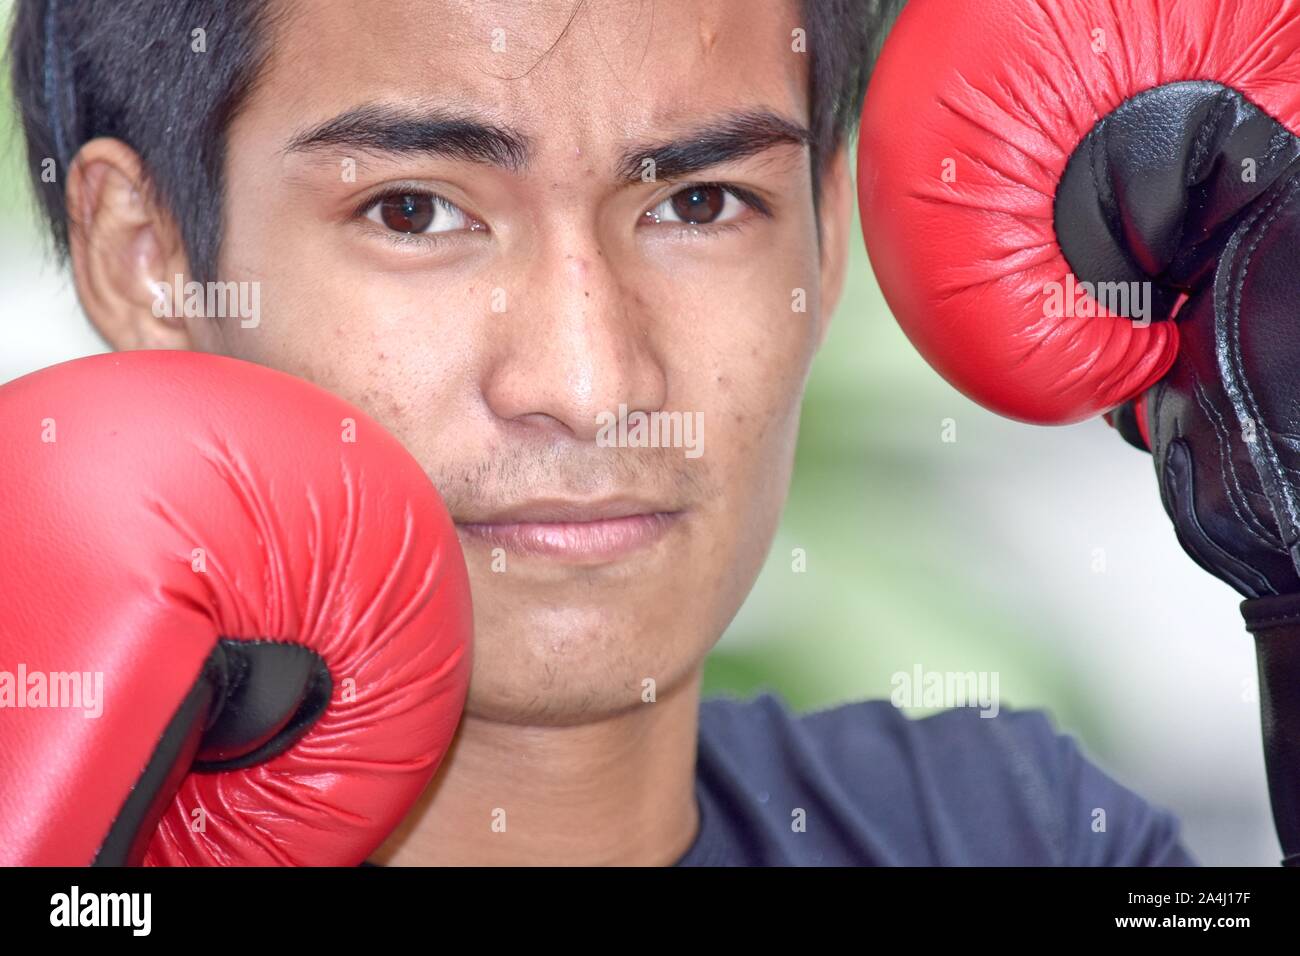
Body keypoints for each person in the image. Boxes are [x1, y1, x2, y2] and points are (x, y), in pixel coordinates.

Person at [6, 0, 1195, 865]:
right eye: (415, 212)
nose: (588, 381)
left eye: (700, 202)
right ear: (149, 261)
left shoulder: (1011, 834)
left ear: (828, 234)